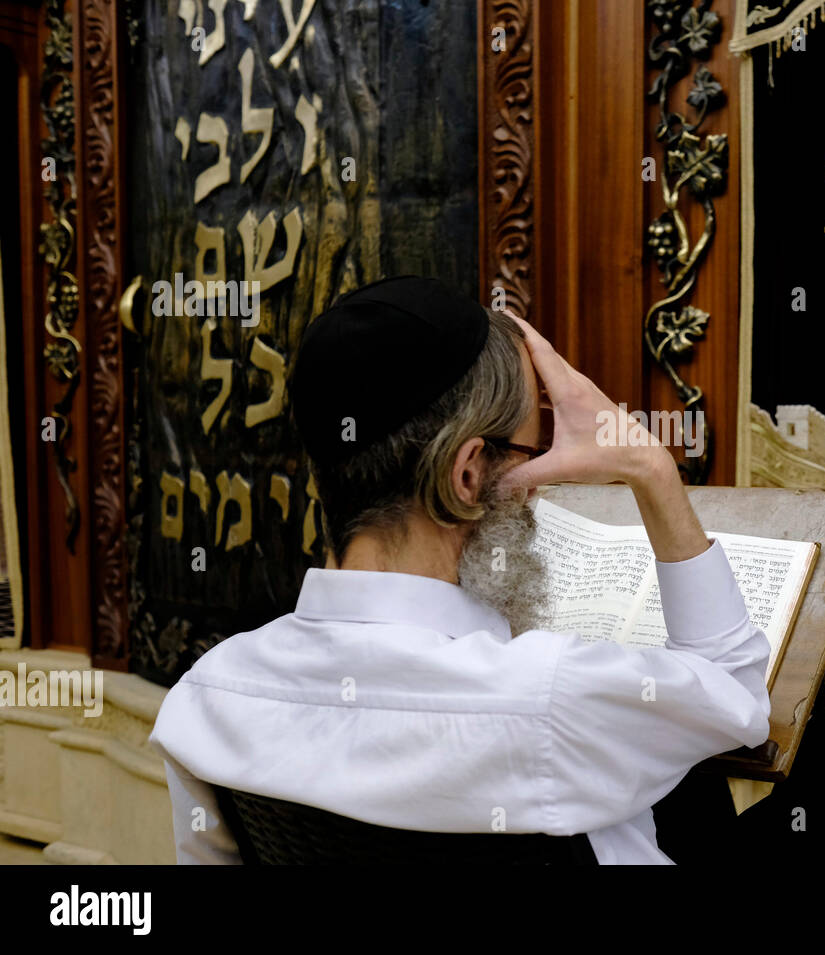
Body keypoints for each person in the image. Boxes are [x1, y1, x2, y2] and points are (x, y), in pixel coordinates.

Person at [148, 275, 771, 864]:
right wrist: (648, 465)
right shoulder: (553, 695)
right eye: (532, 455)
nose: (535, 490)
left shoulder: (208, 697)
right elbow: (737, 699)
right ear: (467, 474)